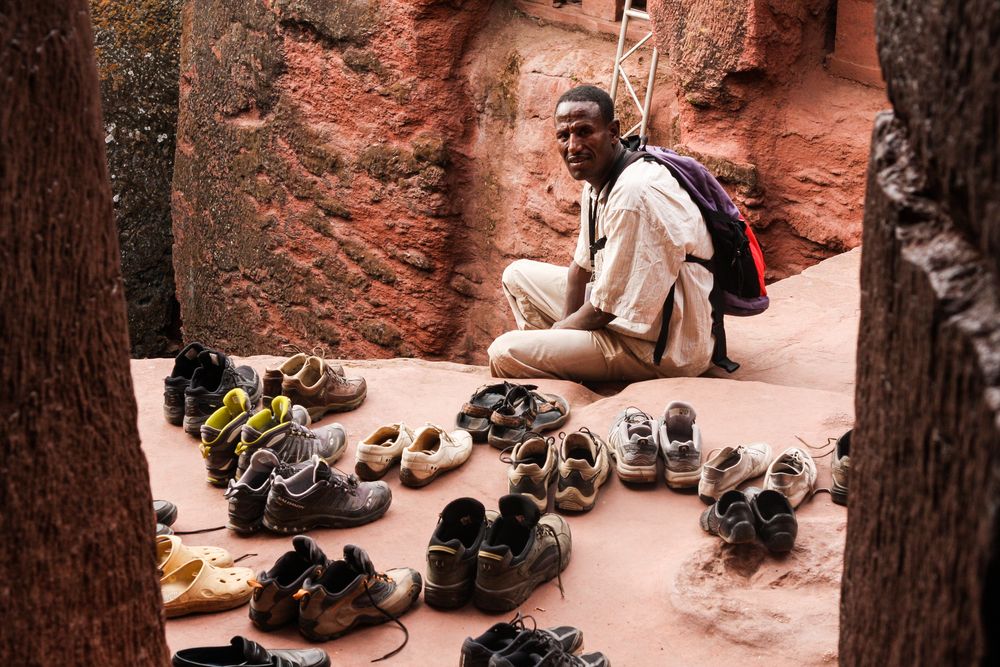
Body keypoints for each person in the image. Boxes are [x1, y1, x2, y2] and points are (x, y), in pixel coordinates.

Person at [487, 85, 715, 382]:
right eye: (563, 135)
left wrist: (560, 331)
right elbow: (579, 270)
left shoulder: (634, 195)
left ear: (613, 132)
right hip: (632, 317)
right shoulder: (601, 180)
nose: (573, 146)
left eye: (584, 132)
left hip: (661, 347)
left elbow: (604, 310)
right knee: (516, 275)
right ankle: (562, 366)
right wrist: (560, 339)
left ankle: (559, 373)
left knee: (504, 352)